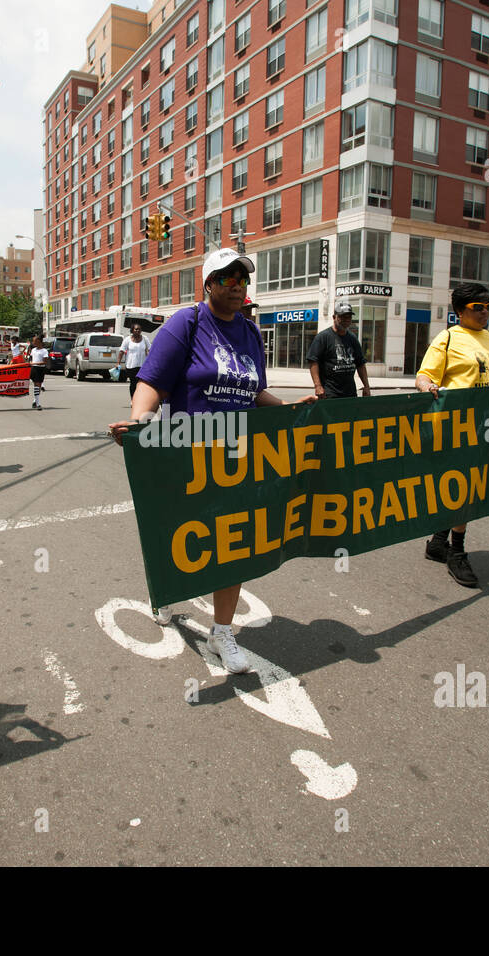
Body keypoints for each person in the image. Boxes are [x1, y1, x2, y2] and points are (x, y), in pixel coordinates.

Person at [107, 248, 317, 673]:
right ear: (208, 284)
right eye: (227, 278)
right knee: (180, 536)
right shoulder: (187, 323)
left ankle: (222, 633)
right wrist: (139, 425)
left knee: (233, 543)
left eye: (242, 278)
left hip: (239, 456)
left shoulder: (252, 333)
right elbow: (152, 381)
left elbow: (253, 392)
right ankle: (165, 590)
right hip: (189, 454)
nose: (237, 285)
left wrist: (289, 408)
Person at [415, 281, 489, 588]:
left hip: (488, 427)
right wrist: (428, 387)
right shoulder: (448, 338)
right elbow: (424, 376)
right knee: (465, 488)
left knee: (471, 486)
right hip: (457, 428)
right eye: (477, 308)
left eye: (488, 306)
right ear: (460, 311)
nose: (484, 312)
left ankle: (437, 542)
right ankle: (456, 552)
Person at [307, 302, 372, 399]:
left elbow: (360, 364)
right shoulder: (323, 337)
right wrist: (318, 386)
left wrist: (366, 386)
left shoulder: (352, 338)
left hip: (350, 393)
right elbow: (313, 361)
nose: (346, 320)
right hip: (330, 393)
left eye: (349, 317)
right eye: (342, 317)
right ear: (334, 317)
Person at [115, 324, 151, 399]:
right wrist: (118, 363)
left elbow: (150, 350)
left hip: (142, 365)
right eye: (136, 329)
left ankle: (139, 399)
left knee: (141, 383)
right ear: (132, 330)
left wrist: (151, 361)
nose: (138, 331)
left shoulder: (145, 338)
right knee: (133, 383)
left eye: (139, 329)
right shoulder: (127, 339)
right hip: (131, 365)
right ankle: (133, 399)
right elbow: (121, 351)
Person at [28, 333, 49, 410]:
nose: (33, 343)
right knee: (36, 385)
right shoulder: (33, 350)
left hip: (40, 369)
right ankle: (38, 403)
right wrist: (30, 363)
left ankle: (35, 401)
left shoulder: (44, 351)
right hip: (34, 369)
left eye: (34, 341)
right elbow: (31, 358)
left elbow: (45, 362)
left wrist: (34, 363)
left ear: (39, 342)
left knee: (38, 386)